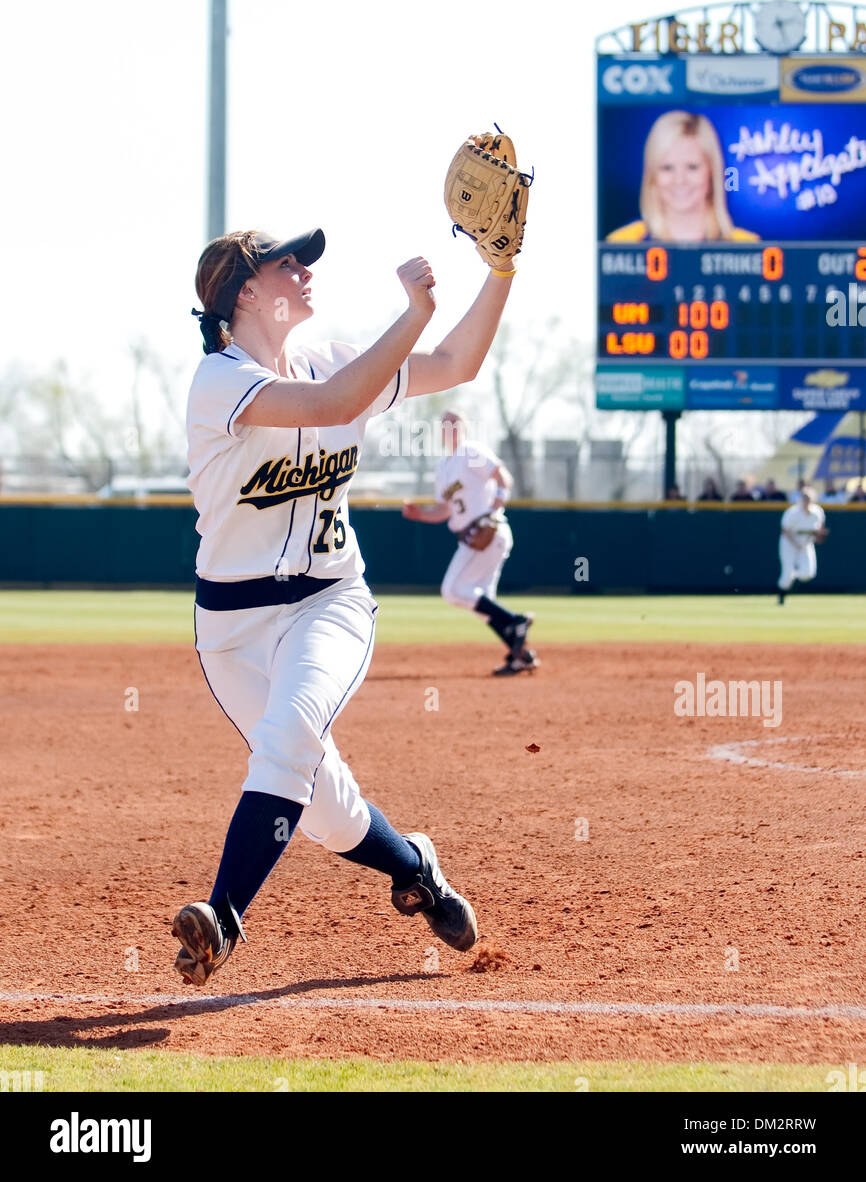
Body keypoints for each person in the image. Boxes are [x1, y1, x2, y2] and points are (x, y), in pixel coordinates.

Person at [173, 227, 519, 986]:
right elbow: (335, 403)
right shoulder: (219, 381)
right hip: (231, 632)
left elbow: (461, 363)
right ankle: (416, 870)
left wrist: (500, 267)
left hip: (328, 603)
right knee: (325, 808)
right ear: (246, 294)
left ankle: (222, 920)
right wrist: (413, 313)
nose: (303, 271)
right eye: (285, 263)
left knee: (289, 733)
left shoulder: (333, 360)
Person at [401, 412, 537, 676]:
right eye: (445, 425)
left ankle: (515, 621)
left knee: (452, 591)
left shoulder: (471, 451)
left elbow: (503, 478)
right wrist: (421, 515)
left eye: (454, 423)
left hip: (486, 532)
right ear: (440, 431)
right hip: (472, 538)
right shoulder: (443, 468)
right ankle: (521, 655)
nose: (449, 428)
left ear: (462, 428)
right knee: (483, 606)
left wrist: (496, 505)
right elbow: (444, 511)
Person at [605, 111, 759, 244]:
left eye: (692, 167)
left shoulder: (748, 245)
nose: (679, 180)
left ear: (711, 173)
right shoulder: (621, 242)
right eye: (667, 168)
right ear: (652, 176)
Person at [777, 487, 827, 605]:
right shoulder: (793, 512)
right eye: (804, 498)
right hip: (789, 543)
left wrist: (818, 536)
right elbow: (785, 530)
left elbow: (819, 528)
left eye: (808, 498)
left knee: (808, 573)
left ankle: (792, 576)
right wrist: (796, 544)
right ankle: (781, 598)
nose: (806, 501)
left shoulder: (817, 512)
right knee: (787, 571)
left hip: (806, 543)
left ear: (813, 499)